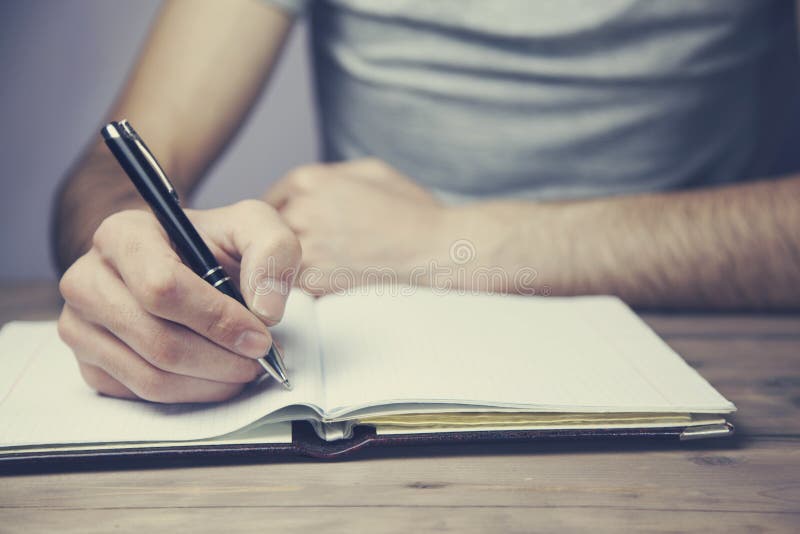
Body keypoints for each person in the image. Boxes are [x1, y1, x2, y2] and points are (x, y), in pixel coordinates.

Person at [53, 0, 800, 403]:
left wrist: (451, 245)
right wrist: (136, 247)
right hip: (376, 360)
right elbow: (107, 175)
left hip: (715, 357)